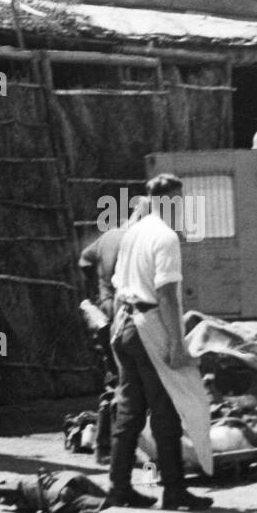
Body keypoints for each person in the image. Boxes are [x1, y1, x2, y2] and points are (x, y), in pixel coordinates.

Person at [106, 174, 213, 511]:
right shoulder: (166, 237)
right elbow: (167, 293)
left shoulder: (134, 231)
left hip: (123, 323)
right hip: (148, 325)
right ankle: (175, 492)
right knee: (166, 411)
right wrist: (177, 344)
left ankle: (119, 487)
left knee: (130, 410)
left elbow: (116, 281)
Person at [77, 197, 147, 466]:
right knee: (126, 383)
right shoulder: (135, 244)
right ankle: (110, 448)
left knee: (115, 380)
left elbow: (84, 260)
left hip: (103, 315)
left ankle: (107, 446)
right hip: (122, 317)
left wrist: (96, 290)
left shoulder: (109, 237)